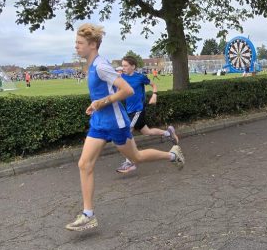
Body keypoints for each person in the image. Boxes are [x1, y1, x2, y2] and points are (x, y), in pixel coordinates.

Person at [67, 24, 184, 232]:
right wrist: (96, 105)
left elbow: (127, 90)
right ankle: (88, 215)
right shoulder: (92, 65)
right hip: (99, 122)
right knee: (84, 164)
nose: (76, 46)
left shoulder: (101, 65)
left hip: (115, 123)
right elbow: (103, 93)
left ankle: (173, 156)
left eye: (79, 43)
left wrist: (101, 103)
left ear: (92, 45)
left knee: (136, 157)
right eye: (76, 42)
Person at [116, 55, 179, 175]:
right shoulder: (122, 77)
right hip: (129, 111)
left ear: (133, 66)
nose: (123, 68)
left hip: (138, 110)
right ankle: (168, 133)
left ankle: (130, 162)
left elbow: (154, 85)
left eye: (125, 66)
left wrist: (154, 94)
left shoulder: (140, 77)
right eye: (122, 65)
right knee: (147, 132)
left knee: (127, 132)